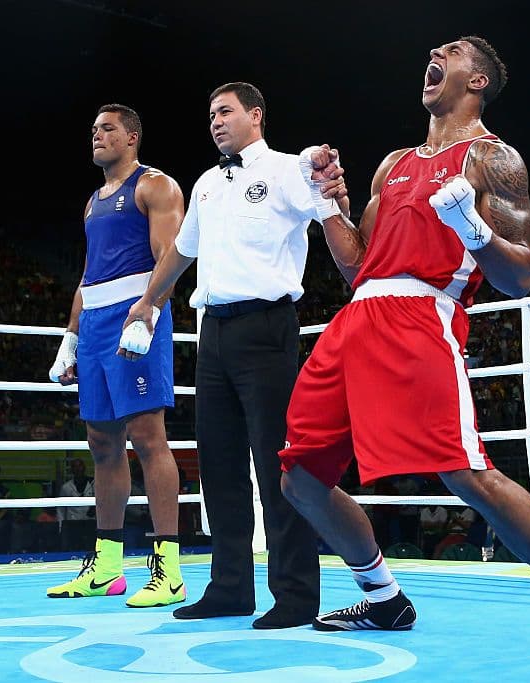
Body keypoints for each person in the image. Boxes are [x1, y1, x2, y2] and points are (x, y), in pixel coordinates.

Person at [276, 36, 530, 666]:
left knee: (464, 471)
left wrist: (474, 229)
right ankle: (382, 597)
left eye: (456, 49)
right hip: (356, 320)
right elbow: (357, 268)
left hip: (423, 317)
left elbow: (520, 276)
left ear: (477, 81)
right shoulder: (393, 164)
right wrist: (325, 200)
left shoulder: (494, 159)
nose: (438, 50)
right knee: (300, 477)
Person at [117, 83, 330, 628]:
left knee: (275, 465)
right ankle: (231, 588)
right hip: (213, 331)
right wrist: (147, 302)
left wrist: (326, 171)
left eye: (225, 111)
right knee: (219, 466)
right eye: (210, 113)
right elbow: (182, 252)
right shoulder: (208, 183)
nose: (214, 121)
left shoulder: (287, 169)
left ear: (256, 115)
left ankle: (296, 595)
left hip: (268, 327)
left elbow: (328, 205)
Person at [45, 103, 186, 609]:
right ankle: (107, 567)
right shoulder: (92, 202)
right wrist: (71, 336)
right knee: (102, 442)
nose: (96, 136)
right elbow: (88, 273)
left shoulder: (156, 186)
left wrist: (149, 313)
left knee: (149, 437)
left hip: (137, 313)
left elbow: (171, 257)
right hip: (99, 322)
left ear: (132, 137)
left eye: (107, 129)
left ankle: (168, 568)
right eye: (92, 130)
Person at [58, 457, 95, 522]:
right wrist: (61, 527)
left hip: (90, 522)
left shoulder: (93, 484)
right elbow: (61, 510)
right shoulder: (66, 487)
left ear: (84, 468)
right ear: (72, 470)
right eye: (75, 466)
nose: (78, 469)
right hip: (72, 524)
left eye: (80, 466)